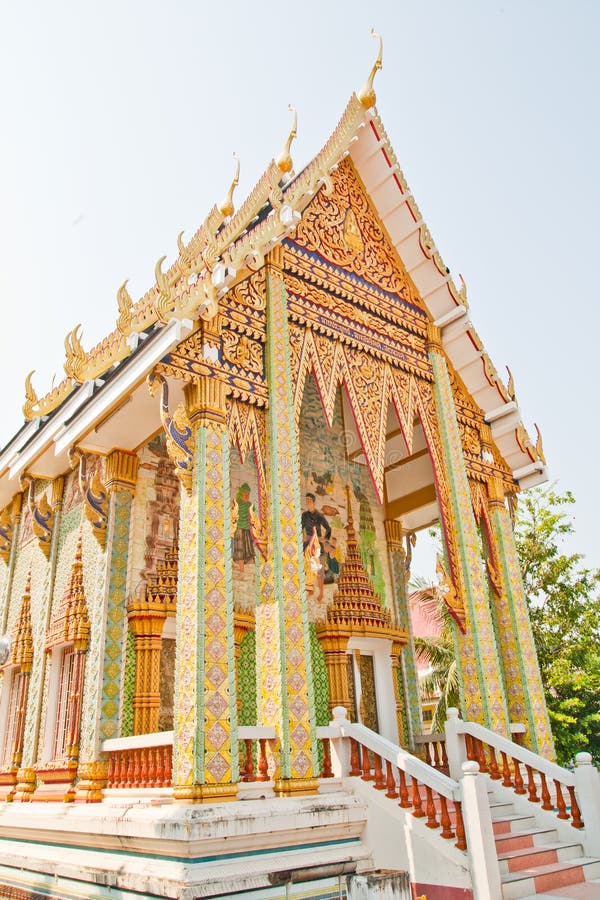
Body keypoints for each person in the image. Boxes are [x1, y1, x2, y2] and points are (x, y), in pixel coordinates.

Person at [302, 493, 331, 599]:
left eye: (309, 500)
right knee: (305, 565)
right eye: (307, 499)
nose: (308, 501)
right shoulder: (304, 515)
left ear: (313, 502)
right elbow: (300, 527)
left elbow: (328, 528)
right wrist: (302, 537)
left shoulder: (319, 516)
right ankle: (308, 588)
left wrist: (324, 538)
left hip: (317, 543)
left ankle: (321, 592)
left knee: (320, 569)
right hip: (307, 543)